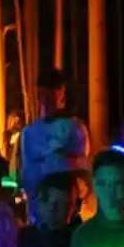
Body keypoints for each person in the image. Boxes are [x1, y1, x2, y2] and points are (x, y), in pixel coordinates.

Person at [17, 69, 90, 218]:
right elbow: (24, 170)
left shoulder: (73, 128)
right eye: (41, 95)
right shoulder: (28, 132)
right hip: (36, 207)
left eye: (50, 95)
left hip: (65, 207)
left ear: (62, 93)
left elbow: (81, 167)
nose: (44, 100)